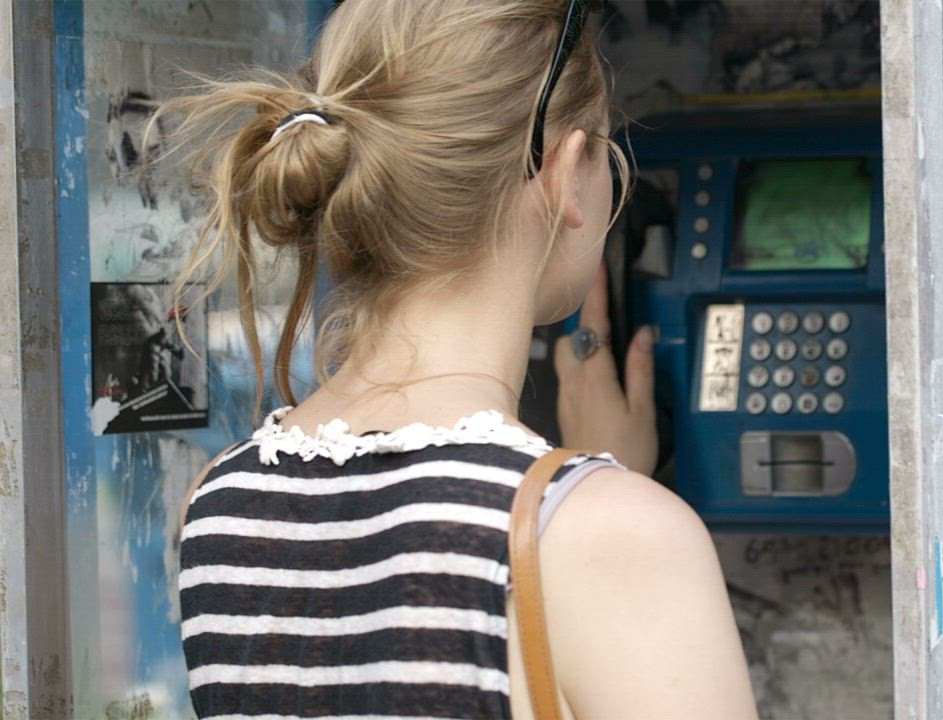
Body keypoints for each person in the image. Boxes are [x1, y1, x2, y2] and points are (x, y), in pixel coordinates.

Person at [168, 0, 758, 718]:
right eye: (608, 152)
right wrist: (599, 493)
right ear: (565, 174)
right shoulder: (611, 534)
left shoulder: (218, 505)